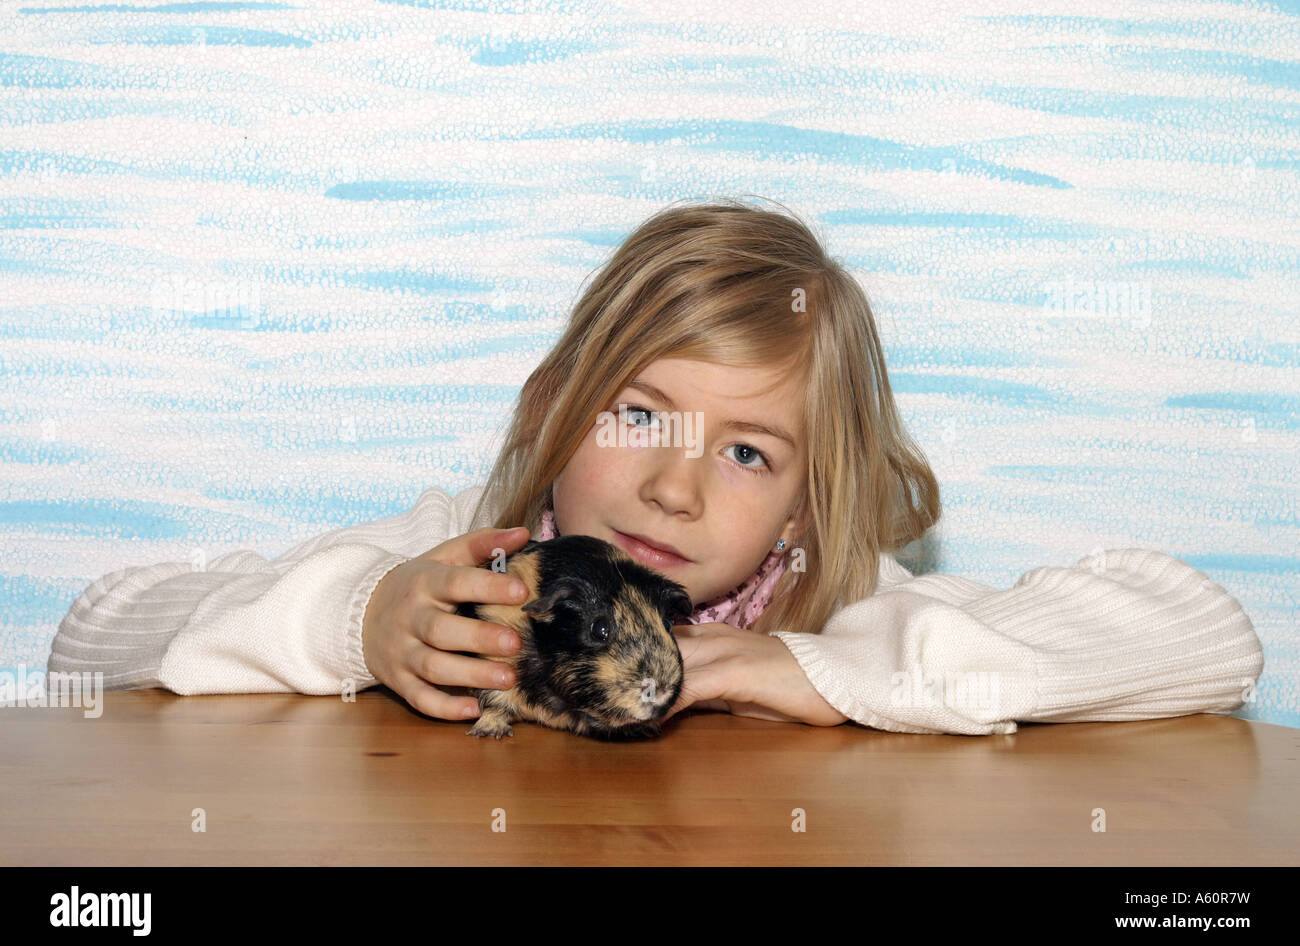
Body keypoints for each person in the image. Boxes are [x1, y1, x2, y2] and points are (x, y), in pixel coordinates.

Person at [46, 198, 1264, 735]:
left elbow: (1204, 636)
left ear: (804, 504)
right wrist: (355, 621)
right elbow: (91, 635)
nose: (676, 488)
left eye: (745, 450)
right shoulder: (453, 558)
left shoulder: (835, 610)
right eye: (637, 416)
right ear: (549, 411)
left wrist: (834, 671)